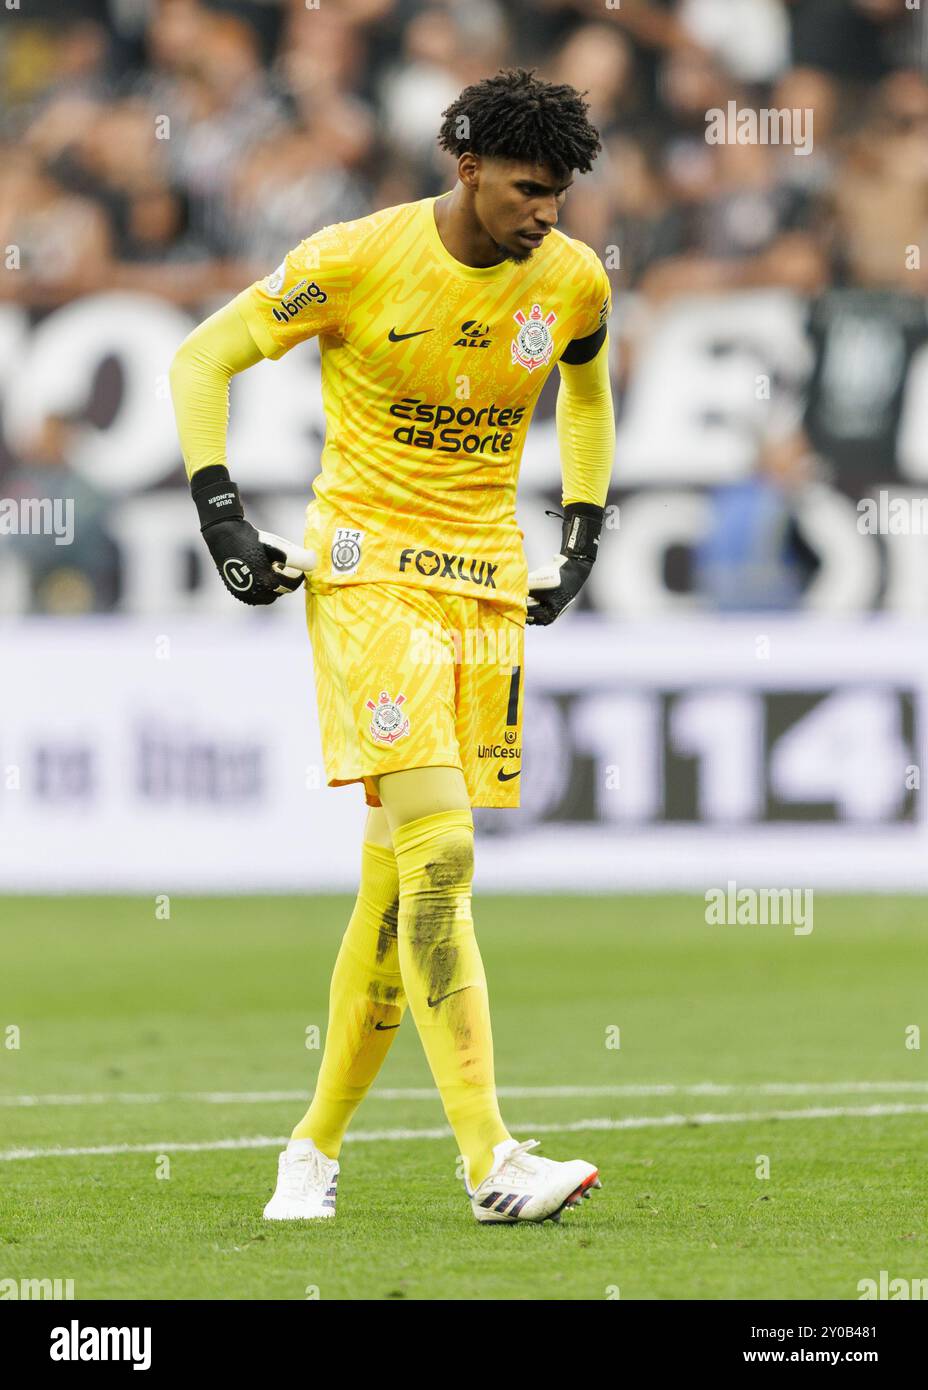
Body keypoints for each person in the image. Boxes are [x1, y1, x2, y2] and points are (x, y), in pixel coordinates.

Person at [170, 68, 615, 1225]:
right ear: (465, 165)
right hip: (366, 577)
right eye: (527, 189)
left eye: (559, 194)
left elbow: (585, 394)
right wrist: (223, 514)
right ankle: (490, 1162)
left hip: (483, 592)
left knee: (395, 883)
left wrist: (583, 528)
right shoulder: (356, 257)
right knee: (444, 851)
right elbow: (199, 359)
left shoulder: (569, 281)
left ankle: (309, 1152)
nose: (546, 214)